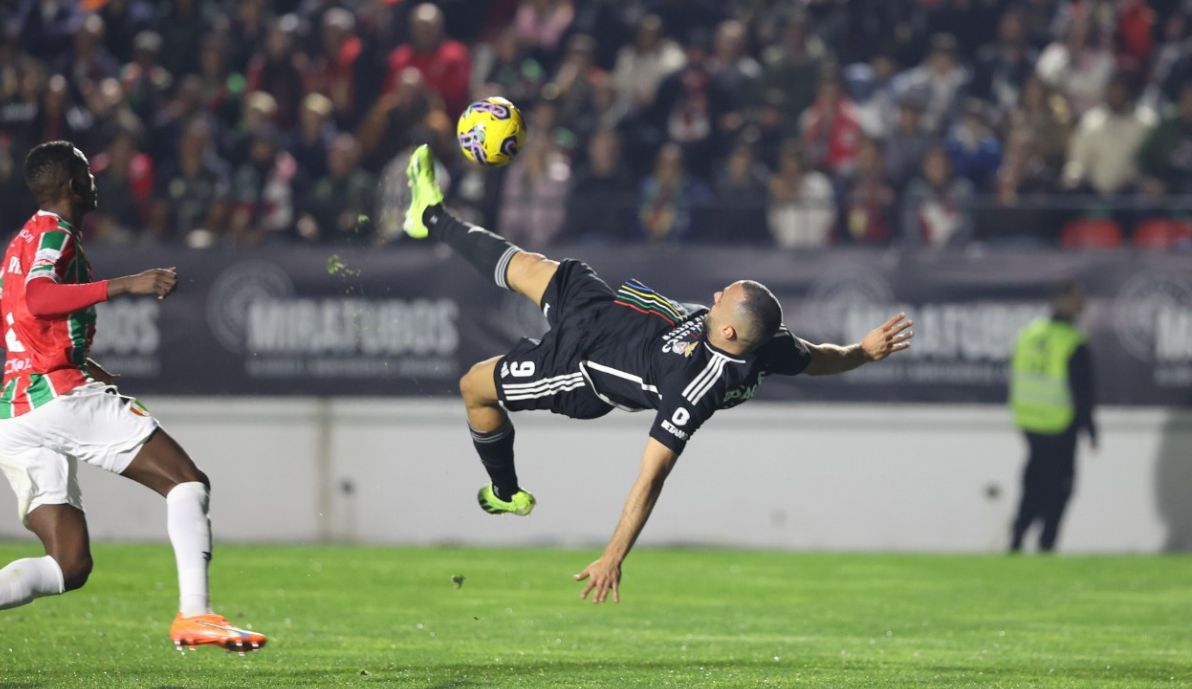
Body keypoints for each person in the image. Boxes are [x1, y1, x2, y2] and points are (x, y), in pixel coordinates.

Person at [401, 144, 914, 603]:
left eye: (723, 301)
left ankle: (505, 492)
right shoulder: (772, 343)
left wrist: (613, 556)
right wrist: (862, 352)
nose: (714, 297)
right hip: (605, 311)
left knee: (474, 384)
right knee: (527, 264)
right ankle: (430, 215)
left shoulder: (696, 389)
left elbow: (651, 477)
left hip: (578, 368)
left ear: (731, 335)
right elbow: (818, 356)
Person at [0, 141, 266, 653]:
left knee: (69, 565)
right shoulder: (55, 233)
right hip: (57, 395)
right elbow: (38, 298)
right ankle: (196, 615)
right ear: (70, 184)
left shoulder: (22, 240)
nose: (94, 178)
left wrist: (56, 353)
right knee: (186, 482)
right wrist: (127, 284)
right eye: (86, 170)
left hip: (12, 414)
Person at [1008, 281, 1098, 553]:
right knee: (1059, 487)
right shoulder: (1072, 341)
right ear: (1063, 300)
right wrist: (1090, 428)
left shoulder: (1029, 334)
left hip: (1029, 421)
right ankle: (1047, 542)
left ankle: (1017, 537)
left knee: (1034, 482)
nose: (1082, 304)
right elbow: (1082, 391)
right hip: (1060, 424)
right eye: (1076, 298)